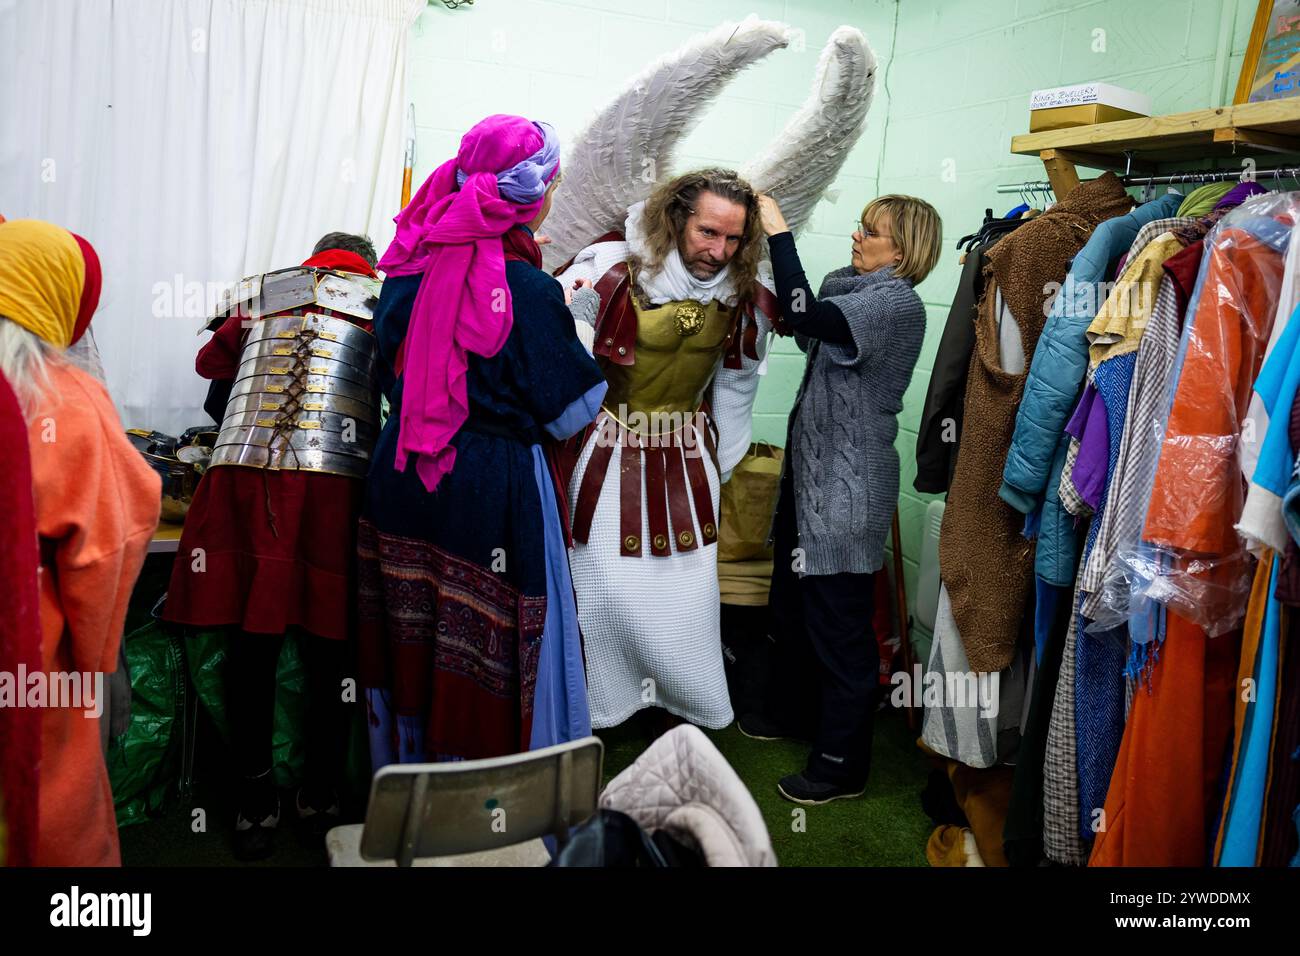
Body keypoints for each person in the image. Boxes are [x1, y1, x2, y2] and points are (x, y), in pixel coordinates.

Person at [357, 114, 606, 764]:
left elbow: (391, 372)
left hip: (403, 470)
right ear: (540, 194)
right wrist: (572, 315)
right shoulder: (527, 287)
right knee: (480, 644)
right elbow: (571, 410)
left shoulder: (408, 268)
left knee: (410, 630)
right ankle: (489, 803)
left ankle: (401, 789)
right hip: (488, 486)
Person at [164, 231, 382, 860]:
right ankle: (320, 792)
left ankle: (253, 796)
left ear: (314, 256)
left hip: (244, 479)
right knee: (328, 646)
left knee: (251, 643)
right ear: (365, 265)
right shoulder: (384, 299)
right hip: (335, 485)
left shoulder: (261, 292)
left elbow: (214, 377)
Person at [554, 168, 782, 731]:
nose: (719, 250)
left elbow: (737, 379)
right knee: (604, 582)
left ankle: (683, 704)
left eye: (733, 238)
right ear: (675, 218)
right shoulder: (608, 271)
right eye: (707, 232)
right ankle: (601, 709)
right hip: (605, 449)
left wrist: (723, 462)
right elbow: (562, 370)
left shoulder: (746, 291)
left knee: (686, 594)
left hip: (687, 455)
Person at [740, 193, 942, 805]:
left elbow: (805, 314)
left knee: (840, 631)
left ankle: (840, 767)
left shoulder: (897, 305)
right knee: (794, 612)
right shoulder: (854, 289)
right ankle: (794, 716)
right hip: (811, 483)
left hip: (849, 494)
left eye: (870, 231)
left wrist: (779, 231)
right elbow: (808, 309)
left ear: (900, 253)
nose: (857, 236)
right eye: (860, 225)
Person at [0, 219, 162, 865]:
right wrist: (97, 666)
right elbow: (103, 554)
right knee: (48, 810)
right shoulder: (64, 400)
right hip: (31, 661)